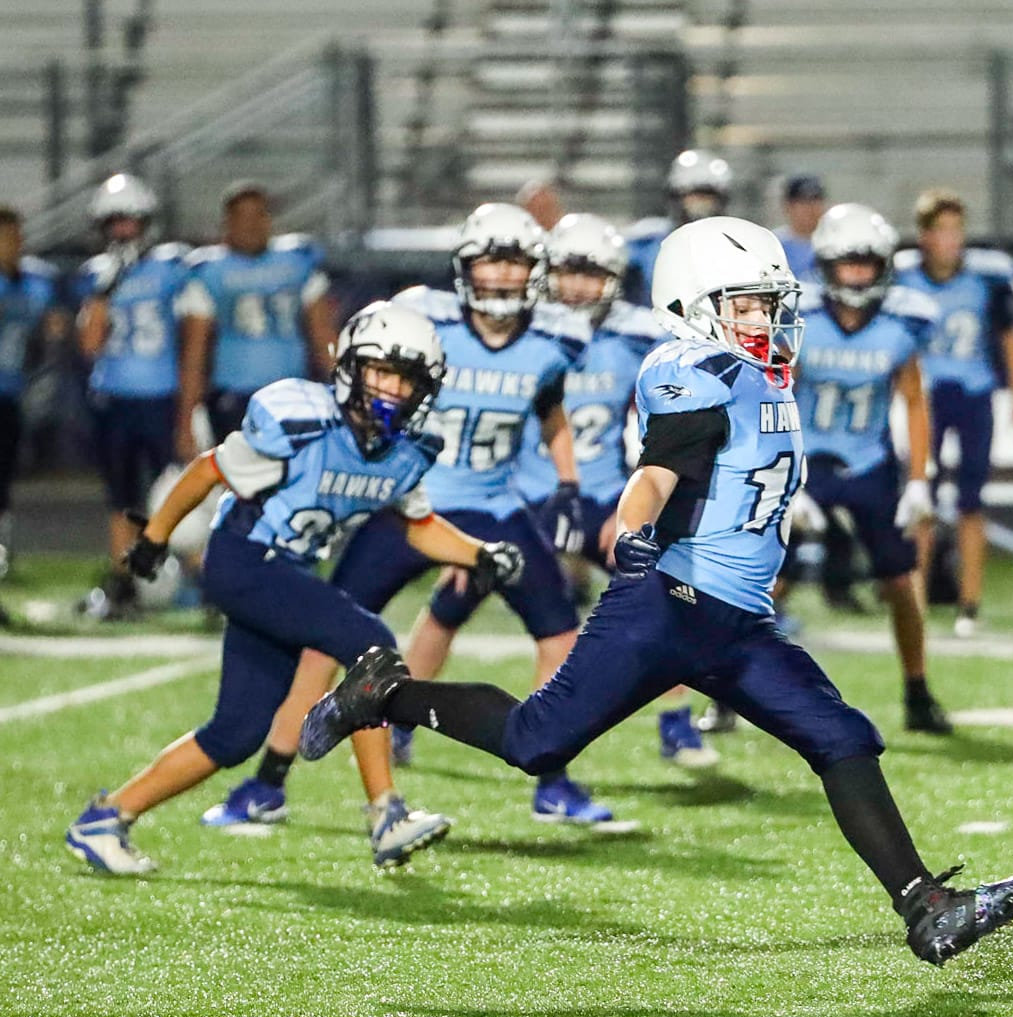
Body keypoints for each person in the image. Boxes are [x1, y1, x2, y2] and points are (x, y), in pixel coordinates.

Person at [297, 216, 1013, 965]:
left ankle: (927, 907)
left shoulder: (762, 375)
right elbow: (655, 474)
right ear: (692, 305)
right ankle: (384, 695)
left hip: (738, 621)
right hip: (669, 605)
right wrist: (635, 528)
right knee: (534, 741)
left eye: (767, 303)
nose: (763, 318)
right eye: (744, 304)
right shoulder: (692, 371)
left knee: (842, 737)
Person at [64, 301, 525, 874]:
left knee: (235, 734)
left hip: (287, 573)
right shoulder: (301, 421)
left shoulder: (408, 449)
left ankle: (107, 818)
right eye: (380, 371)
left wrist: (478, 553)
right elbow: (208, 469)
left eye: (404, 379)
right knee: (370, 643)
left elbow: (417, 524)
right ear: (350, 367)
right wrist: (156, 537)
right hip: (245, 558)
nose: (389, 389)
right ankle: (386, 812)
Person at [203, 202, 612, 829]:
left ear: (535, 270)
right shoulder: (424, 317)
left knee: (559, 630)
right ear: (465, 267)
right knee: (326, 637)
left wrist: (566, 482)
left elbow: (549, 404)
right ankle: (267, 781)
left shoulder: (557, 337)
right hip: (410, 505)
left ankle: (552, 779)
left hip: (496, 505)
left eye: (515, 262)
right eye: (490, 260)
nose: (503, 274)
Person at [421, 212, 716, 768]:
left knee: (664, 596)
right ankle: (398, 722)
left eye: (592, 272)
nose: (579, 285)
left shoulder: (636, 336)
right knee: (452, 600)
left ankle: (676, 723)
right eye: (568, 270)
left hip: (603, 495)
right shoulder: (529, 330)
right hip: (522, 495)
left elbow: (664, 423)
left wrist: (636, 506)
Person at [790, 202, 951, 734]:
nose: (857, 275)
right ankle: (728, 695)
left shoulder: (903, 321)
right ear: (826, 265)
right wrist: (783, 476)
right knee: (768, 581)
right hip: (805, 461)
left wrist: (920, 479)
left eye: (866, 264)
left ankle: (918, 690)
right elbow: (773, 398)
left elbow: (915, 400)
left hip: (870, 462)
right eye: (847, 264)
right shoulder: (798, 319)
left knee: (901, 580)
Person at [894, 189, 1013, 638]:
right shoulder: (902, 278)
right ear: (924, 236)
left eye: (957, 230)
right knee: (921, 500)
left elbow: (1011, 338)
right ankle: (916, 601)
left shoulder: (987, 277)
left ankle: (970, 605)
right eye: (942, 230)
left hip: (973, 394)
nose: (952, 240)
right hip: (926, 400)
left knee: (972, 501)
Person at [74, 174, 191, 621]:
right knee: (122, 498)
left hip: (163, 397)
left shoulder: (172, 266)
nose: (123, 230)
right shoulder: (95, 275)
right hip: (114, 398)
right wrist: (106, 288)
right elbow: (89, 344)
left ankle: (198, 578)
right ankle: (123, 582)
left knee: (176, 492)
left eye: (130, 220)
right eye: (115, 221)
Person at [176, 182, 338, 455]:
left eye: (258, 215)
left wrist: (344, 390)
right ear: (227, 223)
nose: (251, 225)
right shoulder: (209, 272)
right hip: (234, 397)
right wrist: (185, 420)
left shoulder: (297, 262)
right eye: (242, 217)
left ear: (269, 219)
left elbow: (324, 336)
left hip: (292, 396)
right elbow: (194, 354)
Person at [0, 205, 67, 590]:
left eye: (15, 236)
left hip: (11, 395)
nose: (13, 245)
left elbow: (52, 335)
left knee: (4, 480)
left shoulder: (36, 283)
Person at [623, 148, 733, 307]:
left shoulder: (736, 243)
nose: (700, 203)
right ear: (676, 197)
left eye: (707, 195)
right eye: (693, 194)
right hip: (652, 320)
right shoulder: (646, 242)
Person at [774, 174, 827, 282]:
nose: (810, 208)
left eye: (815, 201)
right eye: (802, 202)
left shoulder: (835, 243)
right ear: (788, 206)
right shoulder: (773, 244)